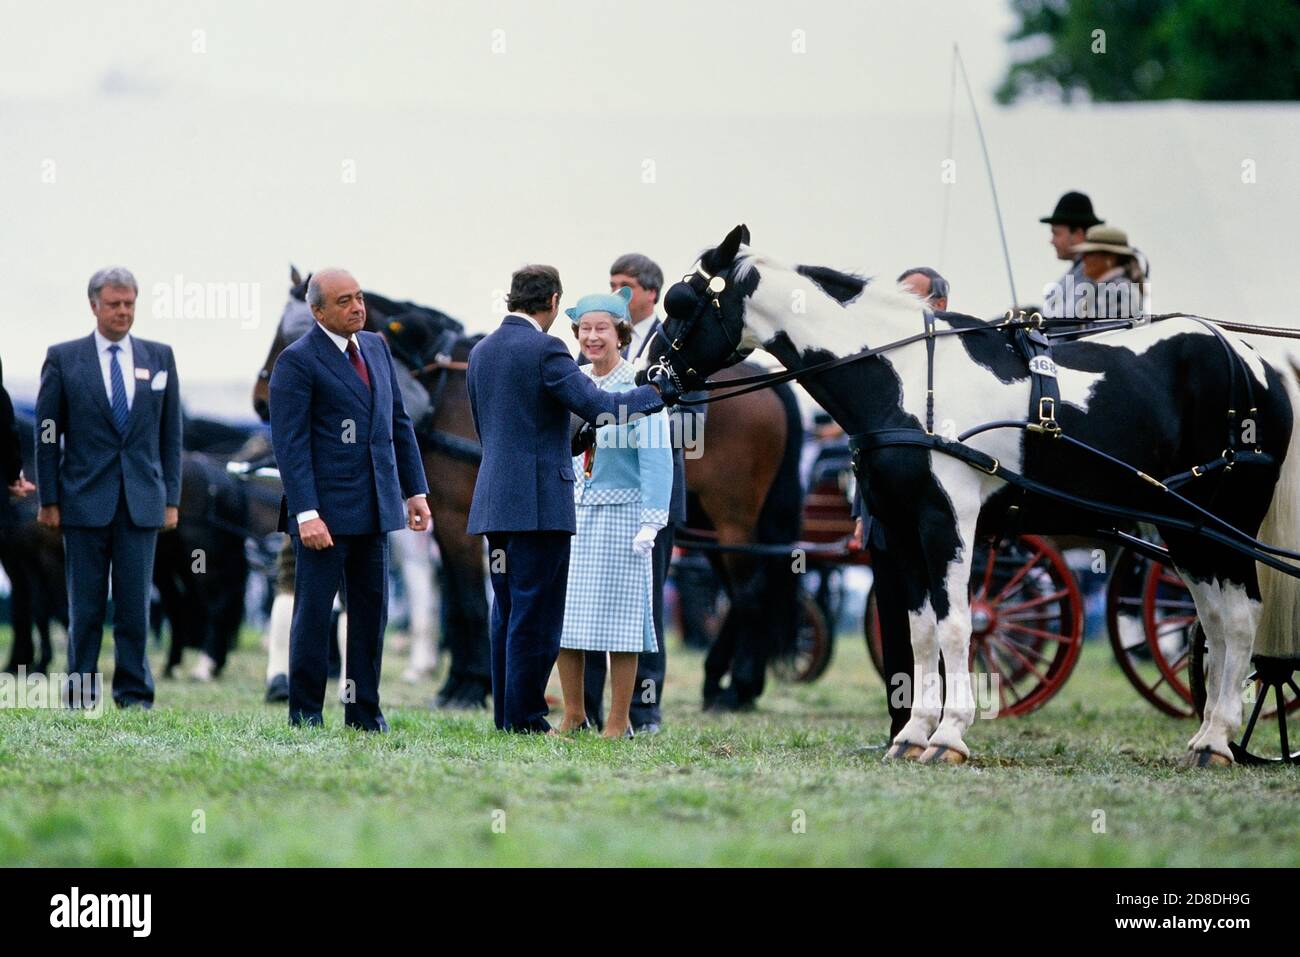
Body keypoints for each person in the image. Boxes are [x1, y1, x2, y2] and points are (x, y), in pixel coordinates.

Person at [465, 265, 668, 734]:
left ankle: (507, 716)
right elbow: (601, 407)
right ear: (554, 301)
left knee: (508, 612)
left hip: (495, 501)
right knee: (536, 618)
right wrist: (653, 394)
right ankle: (526, 719)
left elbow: (498, 428)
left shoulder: (481, 351)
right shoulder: (547, 349)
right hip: (540, 506)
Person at [268, 268, 430, 731]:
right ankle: (305, 714)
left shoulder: (377, 347)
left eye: (359, 297)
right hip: (323, 515)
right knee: (314, 616)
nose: (357, 306)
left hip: (377, 508)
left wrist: (415, 491)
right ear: (317, 311)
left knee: (369, 616)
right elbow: (291, 446)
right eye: (344, 301)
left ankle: (364, 713)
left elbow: (398, 424)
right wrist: (306, 513)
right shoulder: (296, 362)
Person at [35, 267, 182, 709]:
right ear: (94, 305)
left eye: (130, 303)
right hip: (82, 502)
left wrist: (171, 498)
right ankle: (80, 694)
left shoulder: (160, 357)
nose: (123, 311)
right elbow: (47, 432)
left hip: (141, 501)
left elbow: (169, 436)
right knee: (86, 607)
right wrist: (49, 497)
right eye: (115, 304)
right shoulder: (63, 358)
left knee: (135, 606)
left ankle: (135, 692)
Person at [581, 253, 703, 734]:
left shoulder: (675, 342)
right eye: (612, 284)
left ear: (653, 293)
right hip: (595, 495)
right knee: (586, 601)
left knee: (645, 605)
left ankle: (643, 710)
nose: (618, 294)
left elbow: (694, 421)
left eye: (626, 286)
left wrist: (638, 418)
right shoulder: (591, 344)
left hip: (650, 494)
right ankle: (585, 708)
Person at [557, 290, 672, 738]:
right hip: (575, 513)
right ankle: (572, 713)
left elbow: (657, 457)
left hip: (624, 514)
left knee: (622, 624)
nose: (592, 337)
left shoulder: (637, 385)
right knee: (567, 620)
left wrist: (652, 521)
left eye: (601, 328)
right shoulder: (574, 381)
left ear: (620, 333)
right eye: (585, 329)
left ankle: (619, 719)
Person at [1039, 191, 1104, 319]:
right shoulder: (1080, 269)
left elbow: (1069, 318)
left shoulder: (1094, 272)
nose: (1052, 241)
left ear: (1078, 234)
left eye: (1056, 233)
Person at [1071, 224, 1148, 320]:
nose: (1083, 258)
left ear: (1110, 258)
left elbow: (1109, 333)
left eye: (1090, 253)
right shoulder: (1110, 288)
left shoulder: (1116, 290)